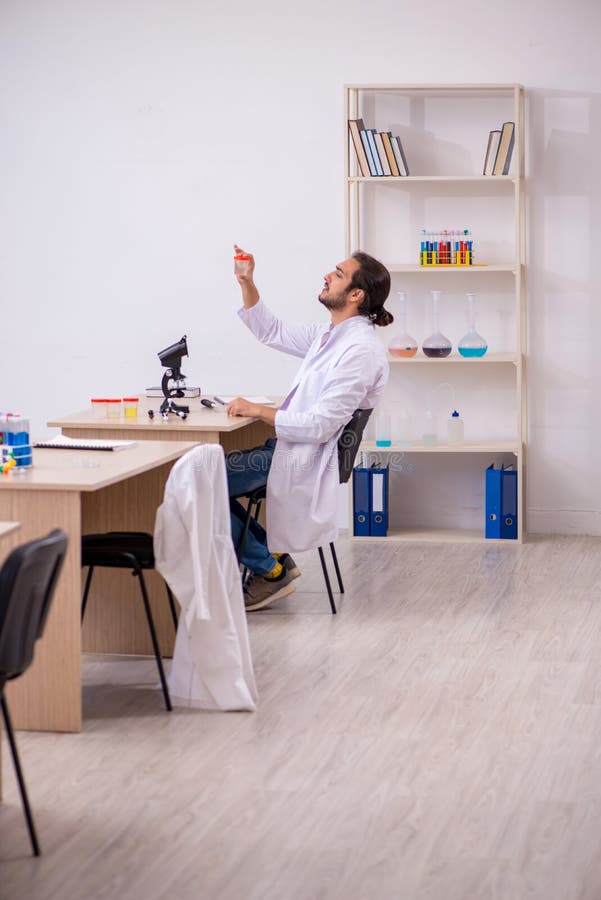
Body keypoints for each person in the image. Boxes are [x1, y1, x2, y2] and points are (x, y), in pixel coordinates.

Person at [227, 244, 393, 611]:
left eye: (337, 273)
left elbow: (319, 427)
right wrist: (246, 281)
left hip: (304, 459)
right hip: (288, 449)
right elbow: (272, 331)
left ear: (355, 294)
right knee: (207, 472)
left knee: (201, 479)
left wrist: (258, 410)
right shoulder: (330, 335)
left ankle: (269, 569)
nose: (327, 276)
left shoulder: (360, 351)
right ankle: (269, 564)